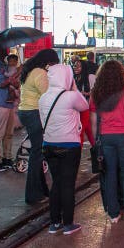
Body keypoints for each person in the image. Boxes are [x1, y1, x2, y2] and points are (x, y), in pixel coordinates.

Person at [90, 60, 124, 223]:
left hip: (105, 137)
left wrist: (95, 140)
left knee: (109, 175)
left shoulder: (96, 93)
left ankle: (113, 214)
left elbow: (93, 121)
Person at [39, 64, 90, 235]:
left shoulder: (43, 98)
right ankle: (68, 223)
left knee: (56, 183)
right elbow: (85, 105)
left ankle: (54, 223)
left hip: (49, 144)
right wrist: (74, 86)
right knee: (68, 184)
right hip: (69, 145)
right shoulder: (71, 96)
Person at [17, 49, 60, 201]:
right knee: (37, 153)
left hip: (25, 111)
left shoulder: (29, 71)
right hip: (34, 113)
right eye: (52, 63)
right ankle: (33, 194)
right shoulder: (40, 73)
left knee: (38, 151)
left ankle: (41, 190)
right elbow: (47, 95)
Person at [0, 48, 21, 172]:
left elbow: (15, 83)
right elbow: (2, 83)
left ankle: (7, 157)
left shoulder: (6, 67)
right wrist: (17, 72)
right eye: (2, 51)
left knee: (9, 133)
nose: (5, 54)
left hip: (9, 103)